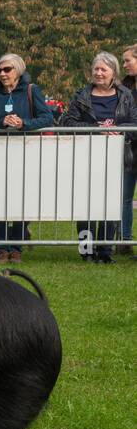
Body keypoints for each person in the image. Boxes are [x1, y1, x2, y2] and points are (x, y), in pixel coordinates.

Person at [63, 51, 137, 264]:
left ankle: (105, 251)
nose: (99, 73)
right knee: (86, 205)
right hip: (87, 157)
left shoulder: (125, 95)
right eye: (96, 69)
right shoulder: (81, 95)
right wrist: (96, 128)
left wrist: (116, 129)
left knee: (110, 205)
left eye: (103, 69)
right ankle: (86, 250)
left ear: (113, 72)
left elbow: (133, 123)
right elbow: (68, 122)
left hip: (118, 157)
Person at [0, 54, 53, 263]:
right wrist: (1, 122)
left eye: (7, 70)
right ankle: (1, 248)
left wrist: (23, 123)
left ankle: (16, 247)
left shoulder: (32, 90)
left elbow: (47, 117)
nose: (3, 74)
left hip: (26, 151)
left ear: (18, 70)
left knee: (22, 199)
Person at [119, 44, 137, 255]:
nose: (124, 65)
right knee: (124, 197)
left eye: (127, 60)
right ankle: (125, 240)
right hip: (127, 149)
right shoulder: (124, 87)